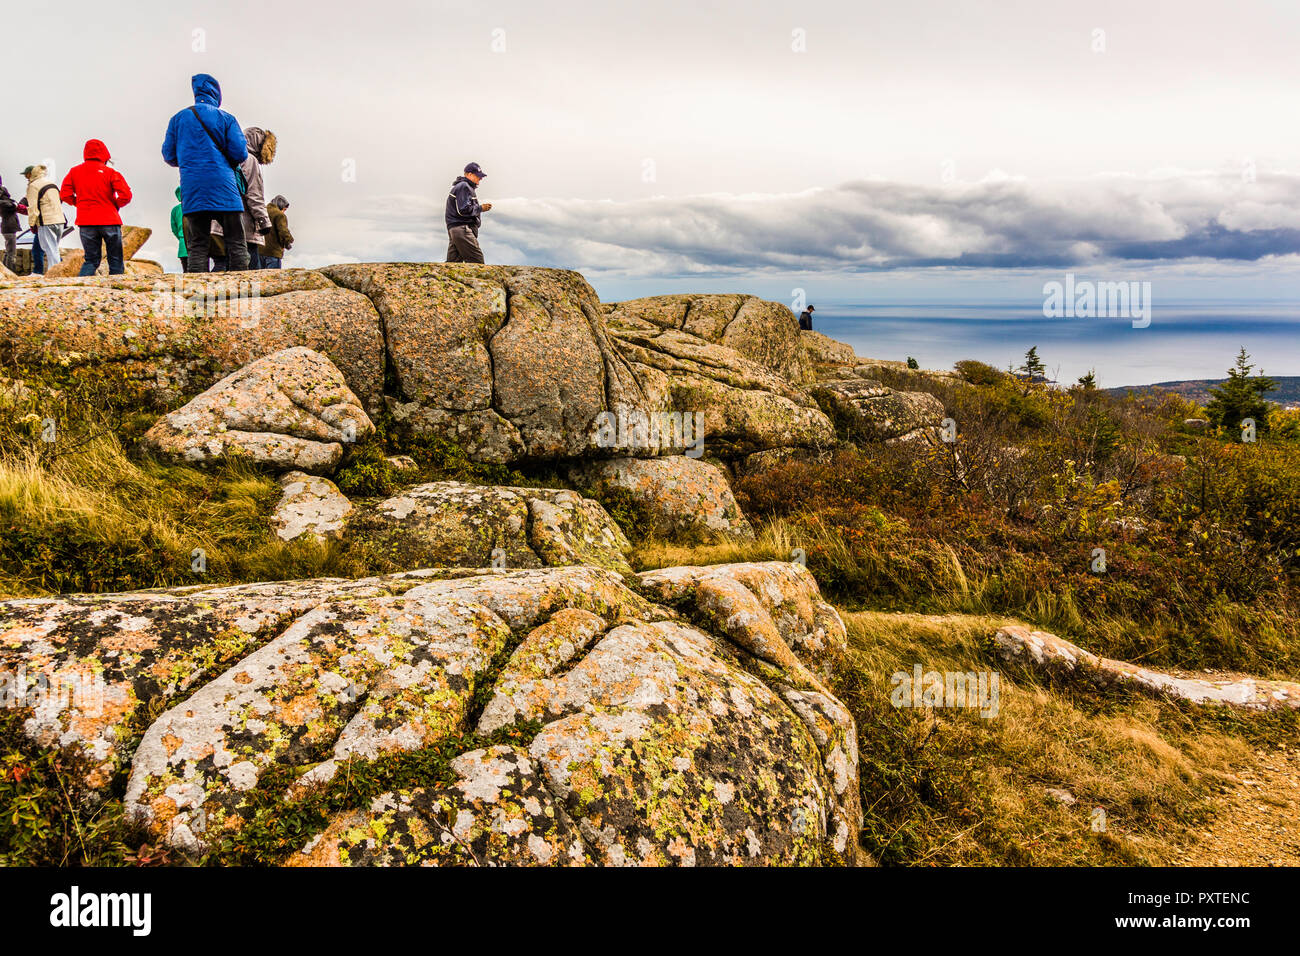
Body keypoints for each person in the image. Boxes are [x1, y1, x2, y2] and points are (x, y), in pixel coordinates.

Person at [161, 73, 250, 272]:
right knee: (235, 241)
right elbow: (239, 153)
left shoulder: (178, 119)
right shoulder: (226, 118)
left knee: (197, 246)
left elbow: (168, 155)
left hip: (193, 188)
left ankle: (197, 295)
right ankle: (241, 288)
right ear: (216, 93)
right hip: (224, 186)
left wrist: (189, 161)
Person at [60, 139, 133, 276]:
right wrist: (115, 205)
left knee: (91, 260)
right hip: (110, 220)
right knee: (115, 259)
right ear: (105, 154)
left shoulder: (74, 172)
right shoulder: (110, 172)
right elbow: (126, 195)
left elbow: (65, 194)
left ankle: (82, 289)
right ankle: (116, 290)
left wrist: (79, 203)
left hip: (86, 221)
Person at [212, 127, 275, 268]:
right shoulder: (249, 159)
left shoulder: (226, 156)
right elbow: (254, 195)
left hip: (220, 223)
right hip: (244, 226)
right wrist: (264, 222)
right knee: (251, 272)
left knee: (224, 266)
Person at [445, 162, 491, 263]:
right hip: (462, 229)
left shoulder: (462, 186)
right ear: (469, 174)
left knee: (453, 263)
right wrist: (481, 208)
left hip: (455, 229)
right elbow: (463, 209)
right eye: (478, 176)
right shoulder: (464, 186)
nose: (480, 179)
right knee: (477, 260)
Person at [22, 165, 65, 272]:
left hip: (46, 221)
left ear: (31, 174)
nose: (25, 177)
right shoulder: (51, 184)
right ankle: (57, 272)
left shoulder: (33, 186)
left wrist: (32, 224)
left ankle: (55, 274)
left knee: (50, 250)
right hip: (60, 220)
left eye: (26, 174)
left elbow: (33, 208)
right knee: (54, 248)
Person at [260, 195, 293, 268]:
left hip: (259, 251)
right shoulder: (279, 215)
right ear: (280, 205)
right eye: (284, 209)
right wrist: (288, 242)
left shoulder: (262, 211)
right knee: (273, 278)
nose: (284, 212)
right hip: (273, 253)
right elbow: (283, 232)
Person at [0, 176, 19, 272]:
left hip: (7, 227)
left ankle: (5, 272)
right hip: (9, 227)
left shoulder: (5, 201)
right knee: (11, 253)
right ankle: (10, 272)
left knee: (8, 252)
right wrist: (14, 204)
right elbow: (10, 205)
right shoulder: (4, 201)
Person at [170, 187, 187, 271]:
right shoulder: (197, 206)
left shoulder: (175, 210)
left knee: (186, 272)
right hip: (199, 244)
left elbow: (174, 228)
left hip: (182, 245)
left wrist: (181, 238)